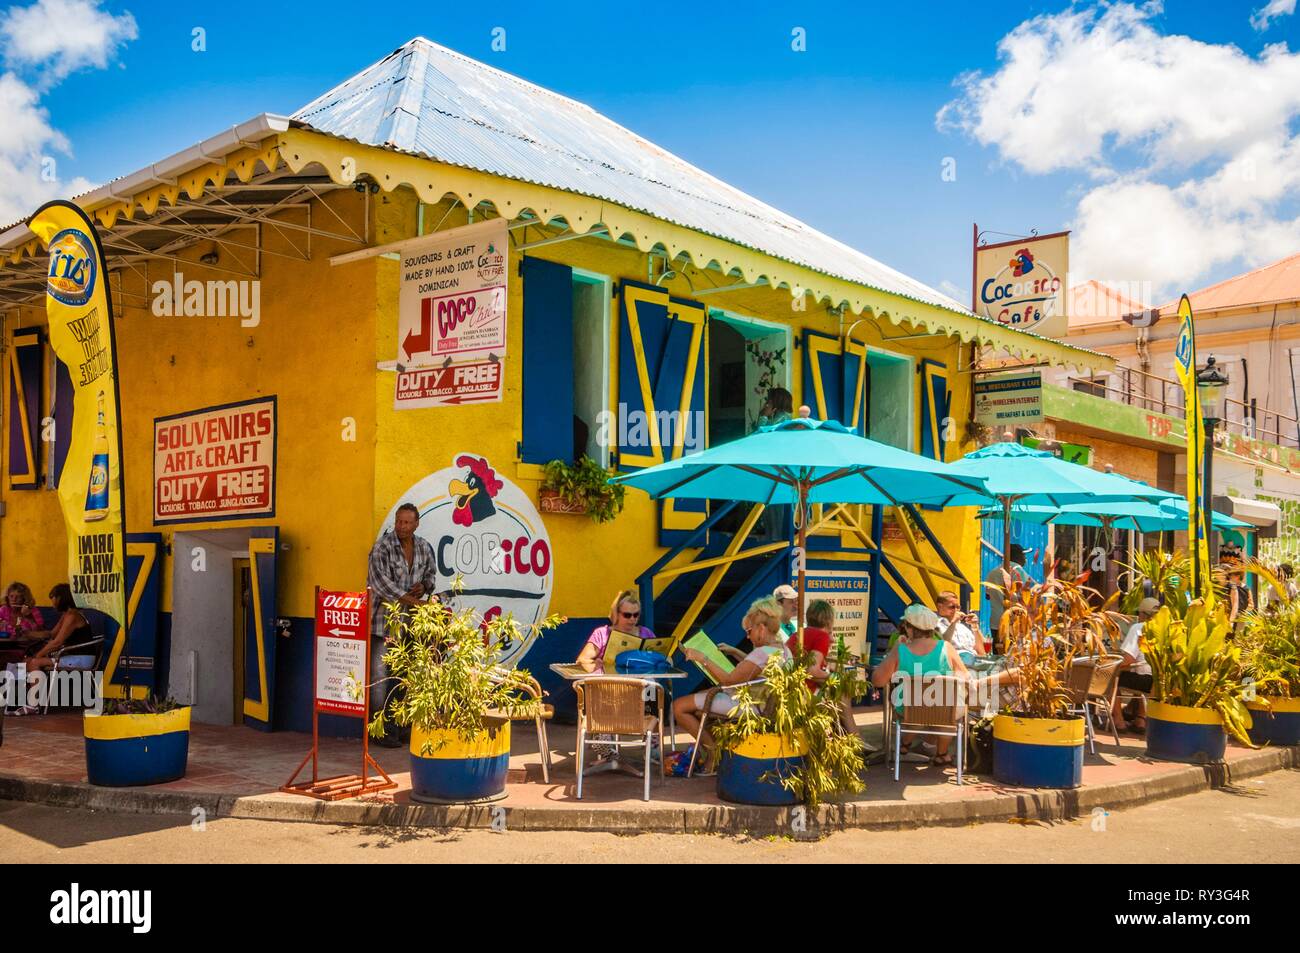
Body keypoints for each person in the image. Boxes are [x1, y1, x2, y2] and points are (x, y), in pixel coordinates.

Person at [676, 596, 792, 773]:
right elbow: (756, 670)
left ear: (761, 629)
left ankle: (713, 752)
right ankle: (715, 749)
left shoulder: (761, 653)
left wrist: (703, 658)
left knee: (679, 707)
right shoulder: (783, 650)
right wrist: (735, 651)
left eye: (749, 631)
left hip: (751, 706)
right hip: (765, 705)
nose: (747, 637)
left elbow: (728, 681)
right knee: (699, 704)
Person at [367, 502, 438, 746]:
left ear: (416, 524)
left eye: (407, 522)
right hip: (383, 624)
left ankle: (399, 727)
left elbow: (431, 575)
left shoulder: (424, 547)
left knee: (405, 677)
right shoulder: (382, 548)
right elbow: (382, 585)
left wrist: (425, 586)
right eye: (399, 521)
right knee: (380, 679)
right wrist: (415, 602)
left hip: (411, 625)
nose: (402, 527)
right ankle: (379, 731)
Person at [871, 604, 970, 767]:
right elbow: (965, 677)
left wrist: (896, 648)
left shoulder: (901, 650)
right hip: (944, 710)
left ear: (909, 628)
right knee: (949, 707)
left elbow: (878, 681)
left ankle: (904, 745)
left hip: (911, 709)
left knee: (914, 702)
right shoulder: (946, 647)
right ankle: (942, 753)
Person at [576, 590, 657, 669]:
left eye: (636, 615)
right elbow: (581, 660)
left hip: (641, 680)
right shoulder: (602, 634)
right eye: (627, 615)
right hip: (610, 681)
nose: (632, 619)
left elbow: (661, 658)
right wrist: (594, 663)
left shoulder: (646, 633)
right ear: (616, 613)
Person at [1113, 597, 1157, 733]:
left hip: (1143, 681)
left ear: (1142, 615)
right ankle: (1140, 719)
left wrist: (1112, 666)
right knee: (1137, 672)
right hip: (1157, 683)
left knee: (1109, 677)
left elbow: (1128, 660)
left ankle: (1118, 720)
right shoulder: (1165, 630)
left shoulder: (1139, 628)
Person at [983, 544, 1028, 649]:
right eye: (1023, 555)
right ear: (1017, 556)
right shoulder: (1018, 571)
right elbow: (1026, 597)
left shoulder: (992, 572)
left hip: (996, 621)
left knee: (998, 655)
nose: (1025, 559)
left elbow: (988, 596)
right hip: (1013, 622)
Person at [935, 590, 984, 661]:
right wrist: (953, 622)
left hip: (973, 663)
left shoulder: (962, 627)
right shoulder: (935, 624)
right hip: (952, 665)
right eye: (952, 607)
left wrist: (975, 627)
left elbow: (981, 652)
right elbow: (942, 647)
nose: (956, 610)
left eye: (958, 607)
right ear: (940, 606)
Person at [1223, 565, 1253, 631]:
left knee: (1237, 636)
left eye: (1232, 575)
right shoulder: (1229, 587)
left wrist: (1243, 611)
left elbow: (1251, 605)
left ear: (1238, 576)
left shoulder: (1246, 589)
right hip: (1229, 615)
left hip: (1240, 617)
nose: (1230, 577)